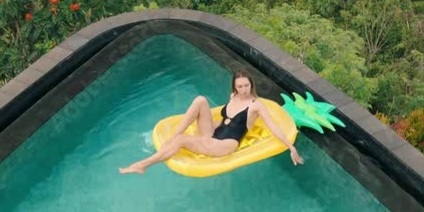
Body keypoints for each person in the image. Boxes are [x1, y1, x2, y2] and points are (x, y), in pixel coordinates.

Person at [119, 70, 305, 174]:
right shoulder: (233, 97)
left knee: (181, 141)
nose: (243, 89)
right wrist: (209, 125)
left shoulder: (256, 105)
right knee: (200, 100)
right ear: (234, 87)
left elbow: (273, 126)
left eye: (246, 85)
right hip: (214, 133)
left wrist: (291, 147)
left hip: (225, 144)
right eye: (239, 86)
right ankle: (175, 135)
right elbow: (225, 118)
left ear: (251, 85)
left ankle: (143, 165)